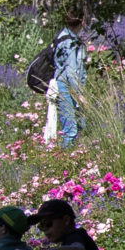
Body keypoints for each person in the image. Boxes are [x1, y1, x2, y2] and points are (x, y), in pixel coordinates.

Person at [47, 8, 88, 148]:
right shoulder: (69, 42)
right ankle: (65, 165)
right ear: (81, 22)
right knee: (70, 131)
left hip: (69, 86)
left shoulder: (64, 36)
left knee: (80, 125)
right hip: (66, 87)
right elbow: (71, 72)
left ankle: (76, 160)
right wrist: (79, 95)